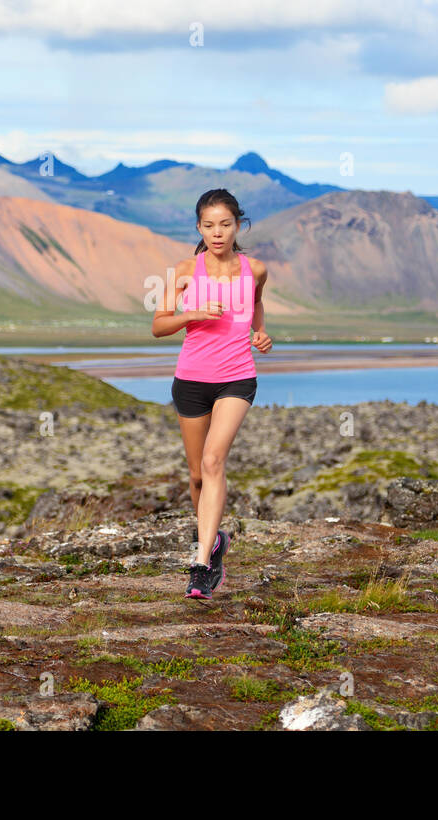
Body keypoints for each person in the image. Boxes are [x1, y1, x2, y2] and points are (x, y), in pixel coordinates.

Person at [151, 188, 273, 599]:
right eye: (209, 225)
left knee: (214, 459)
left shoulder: (254, 269)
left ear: (238, 225)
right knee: (197, 475)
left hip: (237, 377)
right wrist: (193, 314)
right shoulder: (186, 269)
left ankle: (201, 564)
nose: (217, 233)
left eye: (225, 224)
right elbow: (158, 324)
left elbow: (255, 305)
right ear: (199, 227)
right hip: (191, 379)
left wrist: (259, 332)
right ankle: (213, 539)